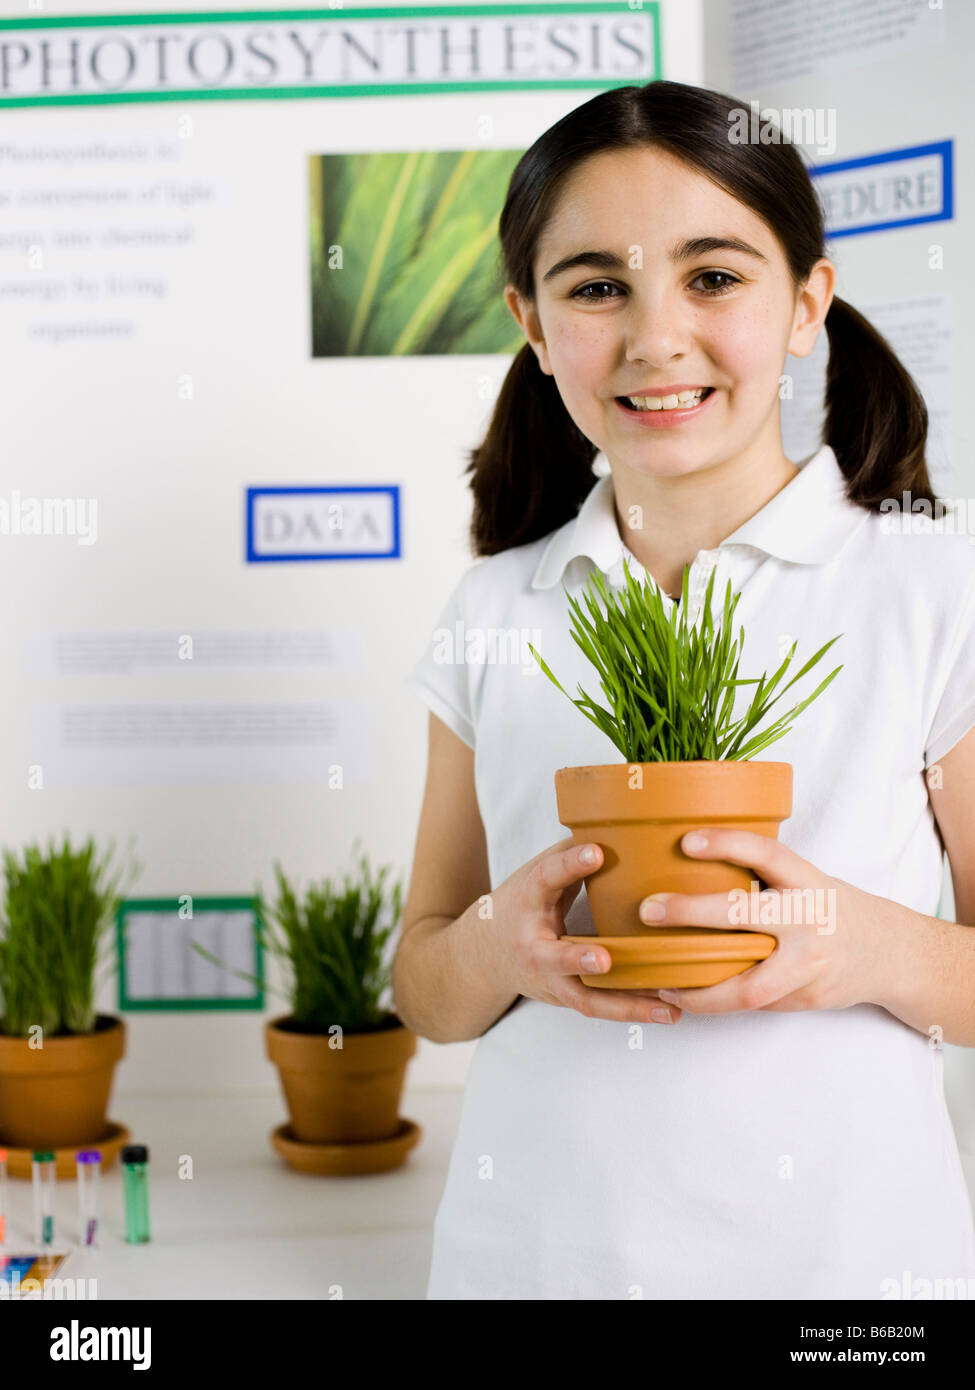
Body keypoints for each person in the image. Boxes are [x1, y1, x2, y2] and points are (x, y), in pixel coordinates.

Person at [394, 80, 975, 1300]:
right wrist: (505, 945)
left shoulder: (930, 584)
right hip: (530, 1266)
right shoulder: (499, 608)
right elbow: (427, 983)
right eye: (598, 286)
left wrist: (860, 945)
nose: (657, 336)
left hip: (849, 1279)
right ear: (534, 325)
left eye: (714, 277)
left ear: (808, 302)